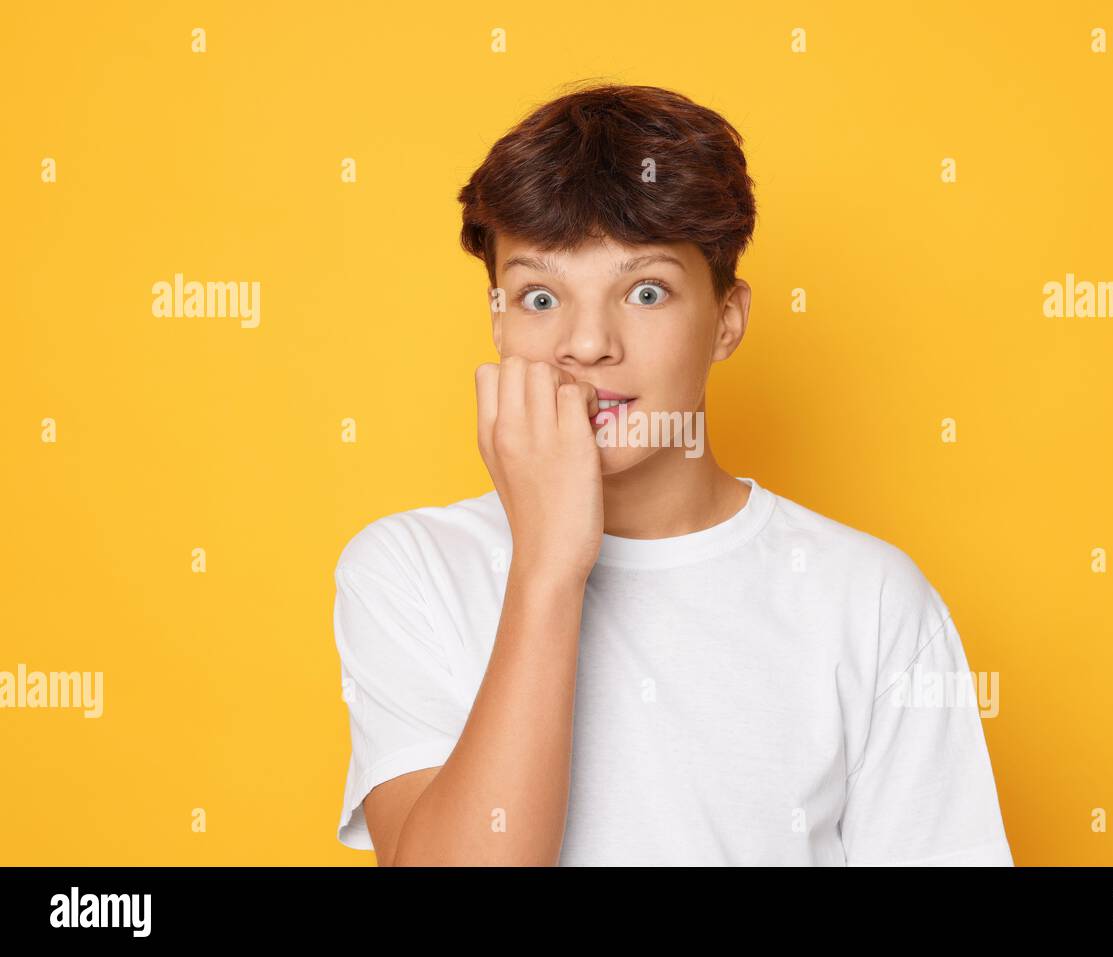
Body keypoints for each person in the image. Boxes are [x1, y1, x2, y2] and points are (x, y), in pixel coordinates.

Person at [331, 81, 1014, 866]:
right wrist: (548, 567)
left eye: (646, 291)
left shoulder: (871, 598)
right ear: (497, 320)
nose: (587, 345)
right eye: (540, 295)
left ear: (726, 320)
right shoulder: (409, 568)